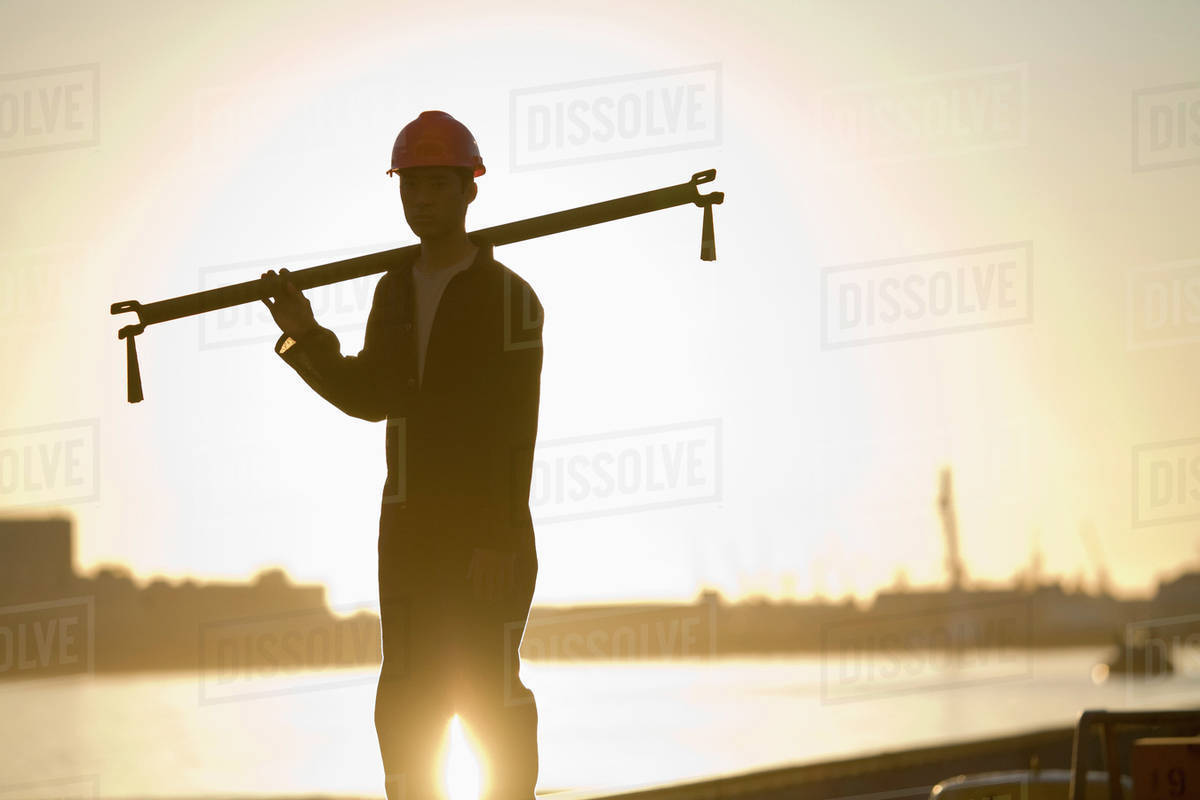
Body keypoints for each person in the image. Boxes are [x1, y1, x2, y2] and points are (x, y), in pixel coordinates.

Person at [259, 110, 544, 800]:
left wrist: (499, 536)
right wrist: (304, 335)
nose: (422, 200)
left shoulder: (511, 299)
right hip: (409, 532)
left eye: (437, 185)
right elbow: (372, 395)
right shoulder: (393, 289)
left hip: (487, 538)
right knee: (406, 702)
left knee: (489, 695)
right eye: (410, 186)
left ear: (470, 189)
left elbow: (516, 426)